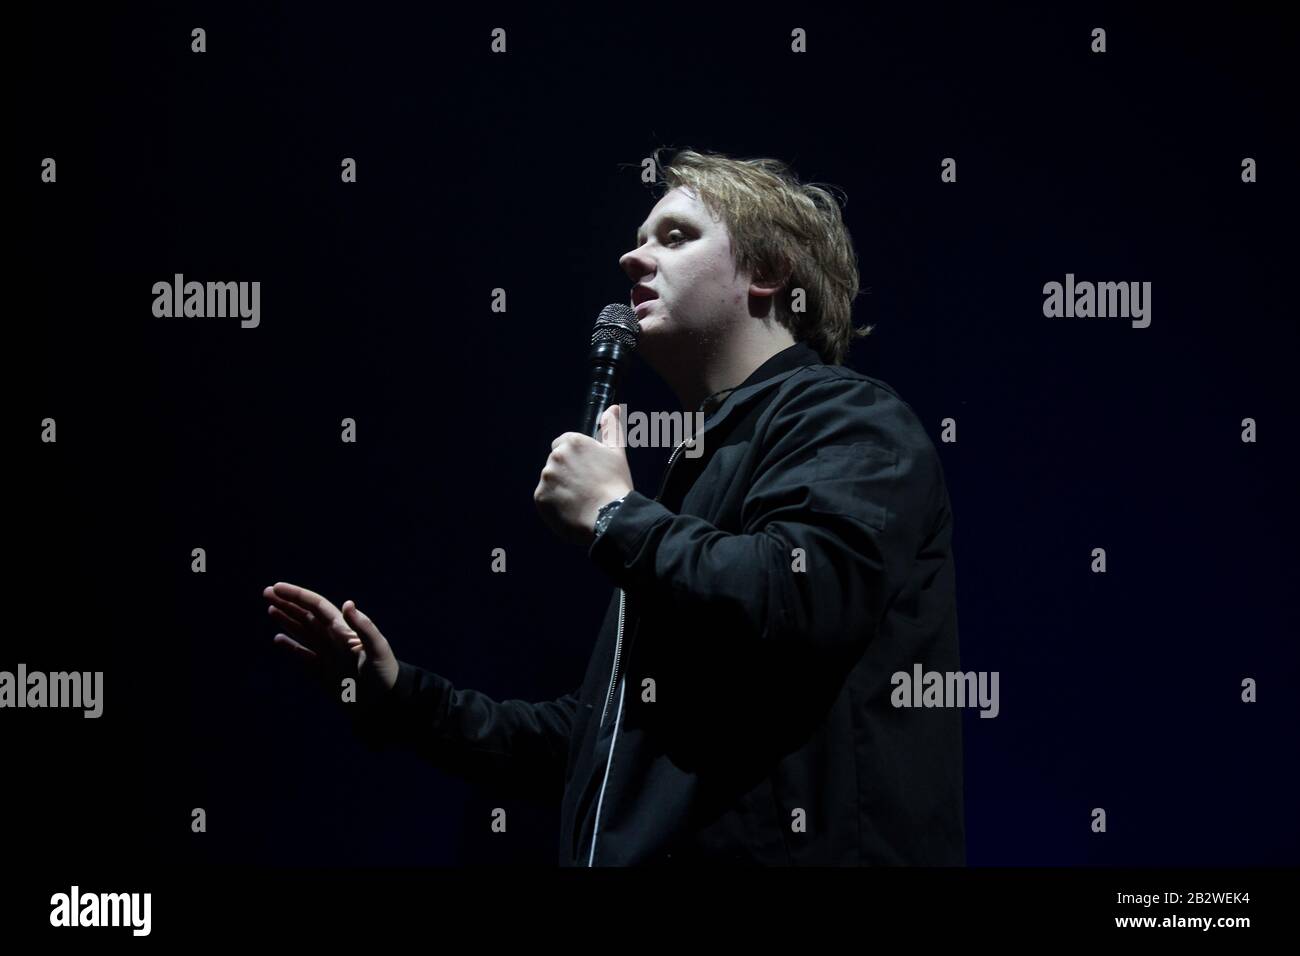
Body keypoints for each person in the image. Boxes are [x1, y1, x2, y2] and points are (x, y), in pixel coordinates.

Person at [264, 148, 965, 866]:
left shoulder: (848, 416)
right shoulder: (691, 482)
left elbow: (801, 594)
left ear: (769, 272)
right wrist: (397, 694)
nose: (632, 261)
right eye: (637, 241)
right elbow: (597, 740)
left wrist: (613, 515)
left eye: (675, 236)